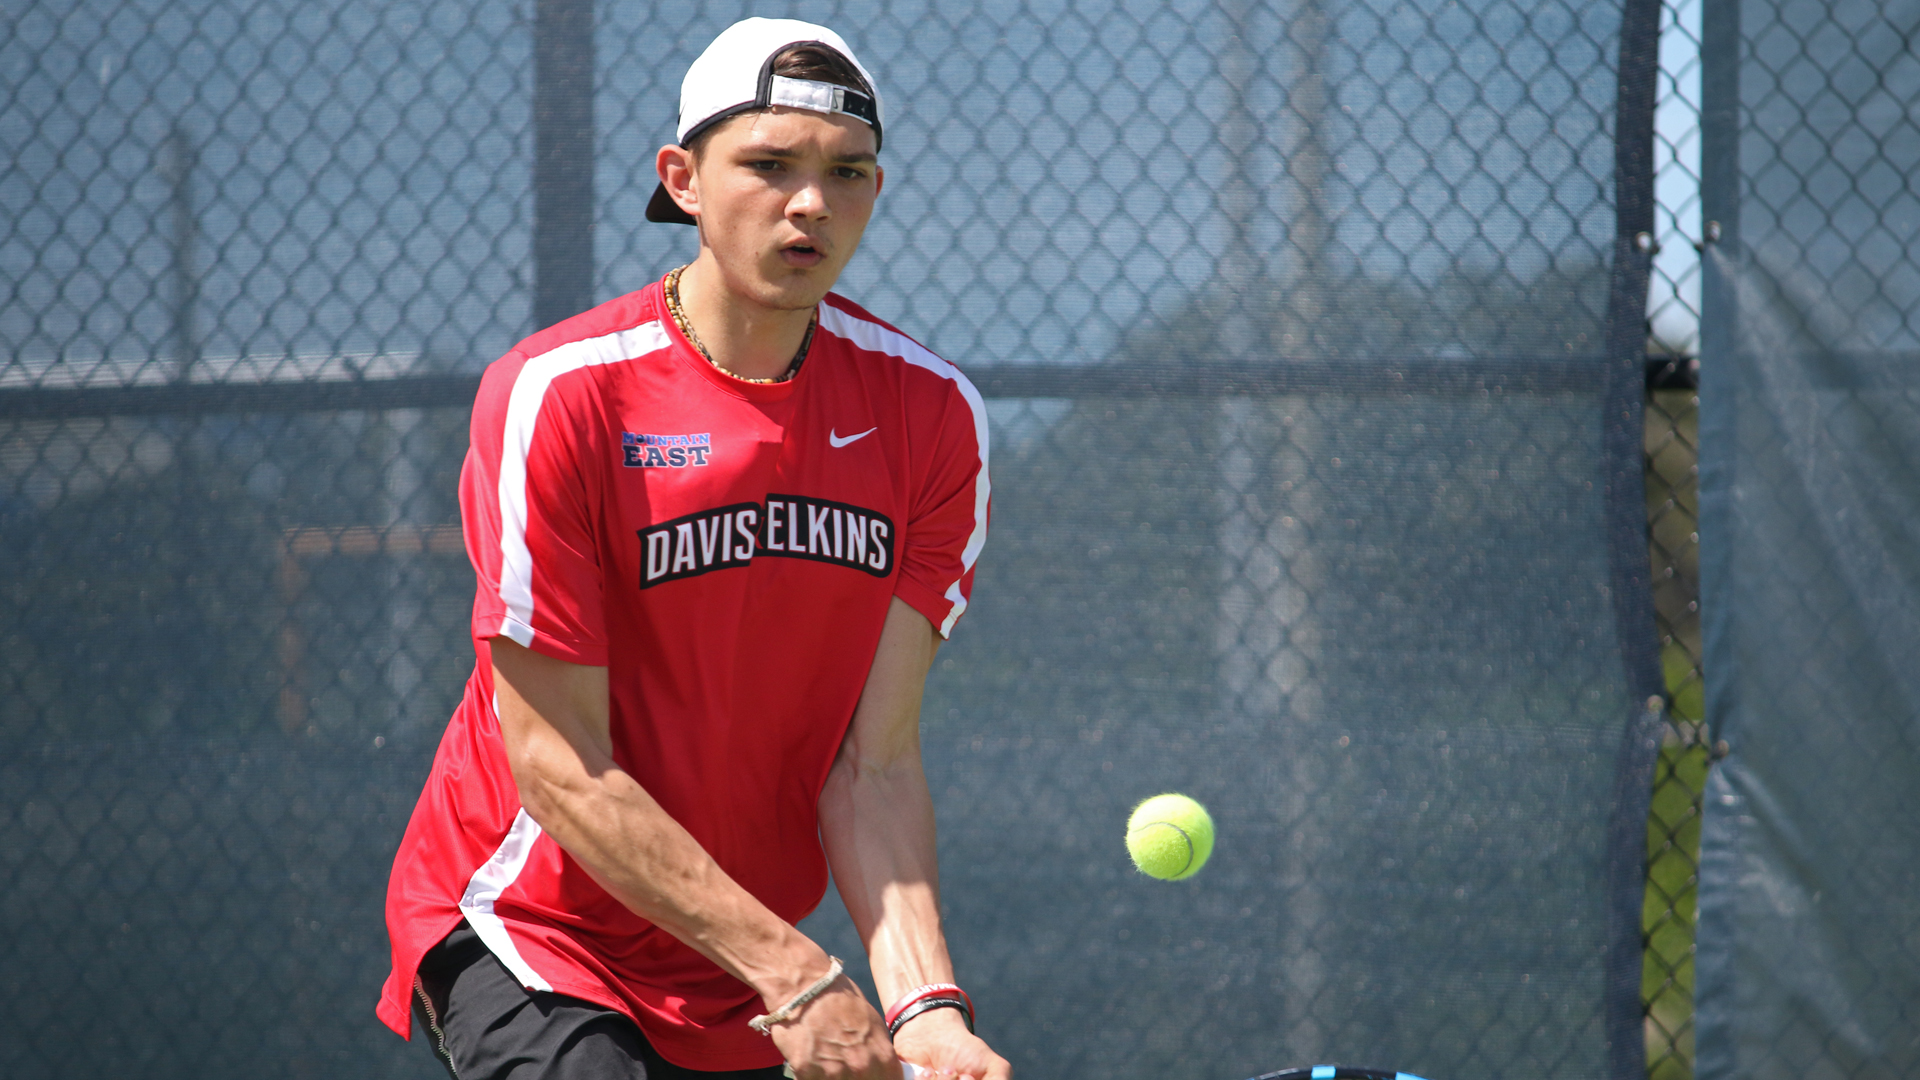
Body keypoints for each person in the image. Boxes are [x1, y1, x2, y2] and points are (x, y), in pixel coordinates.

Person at [376, 18, 1008, 1080]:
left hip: (742, 971)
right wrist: (800, 974)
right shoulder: (559, 396)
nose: (810, 202)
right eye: (769, 165)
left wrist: (925, 1012)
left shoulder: (934, 417)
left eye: (846, 173)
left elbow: (873, 765)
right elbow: (560, 766)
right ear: (683, 180)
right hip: (534, 927)